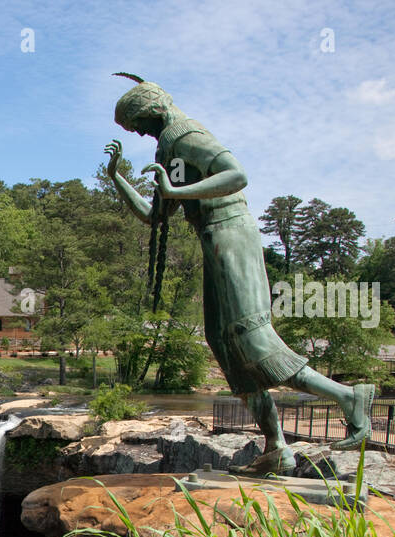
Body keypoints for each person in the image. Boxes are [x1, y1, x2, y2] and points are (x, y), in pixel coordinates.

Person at [105, 74, 373, 473]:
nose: (142, 134)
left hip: (231, 234)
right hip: (212, 240)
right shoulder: (168, 148)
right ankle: (276, 447)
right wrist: (117, 177)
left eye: (140, 125)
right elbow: (155, 215)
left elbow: (236, 175)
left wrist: (178, 193)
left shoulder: (185, 134)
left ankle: (348, 396)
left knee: (252, 337)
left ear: (154, 109)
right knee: (224, 343)